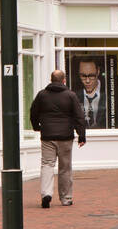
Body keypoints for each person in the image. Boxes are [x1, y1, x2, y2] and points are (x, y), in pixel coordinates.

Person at [30, 68, 86, 208]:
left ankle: (46, 194)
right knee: (65, 168)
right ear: (64, 80)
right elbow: (79, 116)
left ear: (51, 80)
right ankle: (66, 198)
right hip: (65, 137)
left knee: (47, 164)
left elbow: (33, 112)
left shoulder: (42, 95)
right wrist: (81, 135)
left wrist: (37, 127)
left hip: (47, 135)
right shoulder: (70, 95)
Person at [76, 57, 107, 129]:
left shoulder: (108, 92)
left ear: (98, 71)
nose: (87, 81)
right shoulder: (75, 94)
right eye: (83, 76)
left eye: (91, 76)